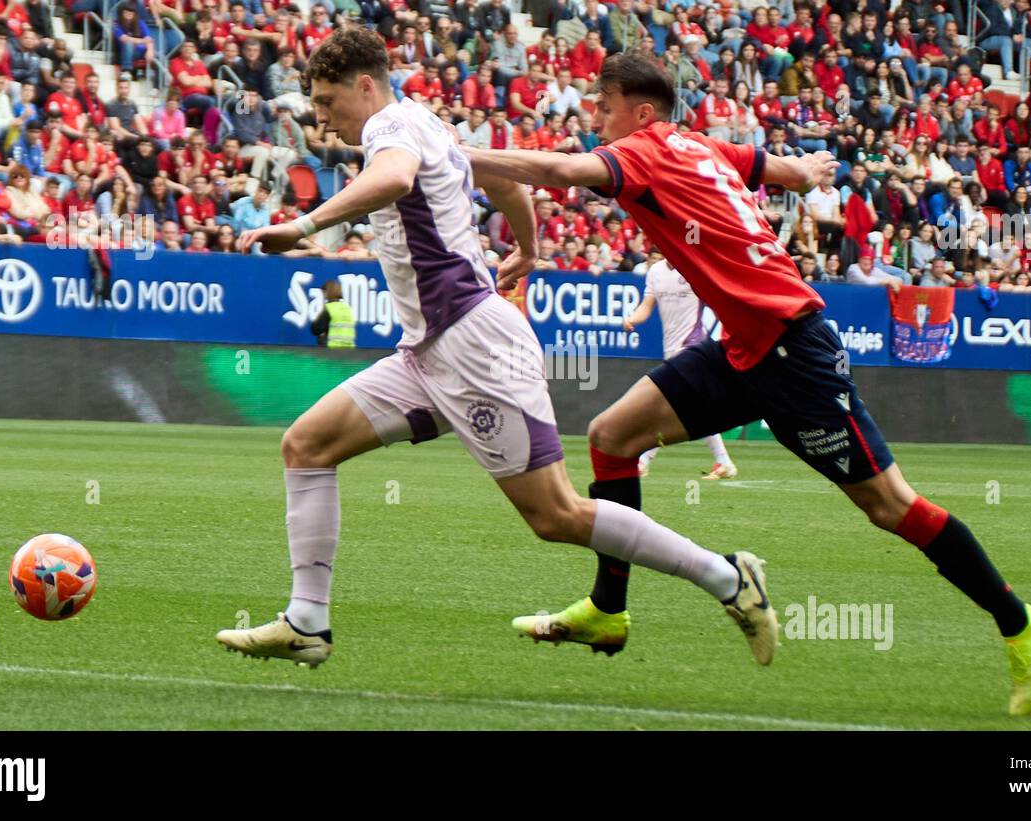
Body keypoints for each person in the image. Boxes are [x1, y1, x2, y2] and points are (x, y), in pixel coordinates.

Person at [461, 52, 1031, 717]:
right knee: (612, 436)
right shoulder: (696, 145)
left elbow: (559, 171)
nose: (595, 117)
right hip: (745, 348)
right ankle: (608, 609)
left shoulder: (645, 152)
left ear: (642, 112)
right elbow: (778, 169)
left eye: (605, 106)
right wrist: (807, 171)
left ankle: (1020, 622)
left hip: (795, 353)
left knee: (890, 506)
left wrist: (453, 153)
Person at [220, 30, 783, 670]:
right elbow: (503, 182)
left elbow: (395, 177)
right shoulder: (427, 125)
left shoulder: (389, 128)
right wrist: (529, 248)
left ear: (366, 85)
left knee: (556, 515)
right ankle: (306, 623)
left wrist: (304, 224)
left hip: (474, 347)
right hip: (428, 351)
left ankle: (728, 577)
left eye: (327, 100)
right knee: (306, 446)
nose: (321, 117)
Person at [622, 259, 736, 481]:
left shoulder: (693, 268)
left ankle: (643, 461)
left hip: (692, 347)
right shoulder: (655, 271)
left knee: (665, 404)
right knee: (690, 410)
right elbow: (646, 306)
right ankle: (723, 461)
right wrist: (632, 319)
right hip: (671, 349)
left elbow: (716, 300)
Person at [311, 279, 356, 348]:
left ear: (327, 292)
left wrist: (318, 316)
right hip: (349, 348)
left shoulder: (329, 308)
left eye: (323, 293)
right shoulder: (347, 308)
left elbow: (316, 330)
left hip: (332, 348)